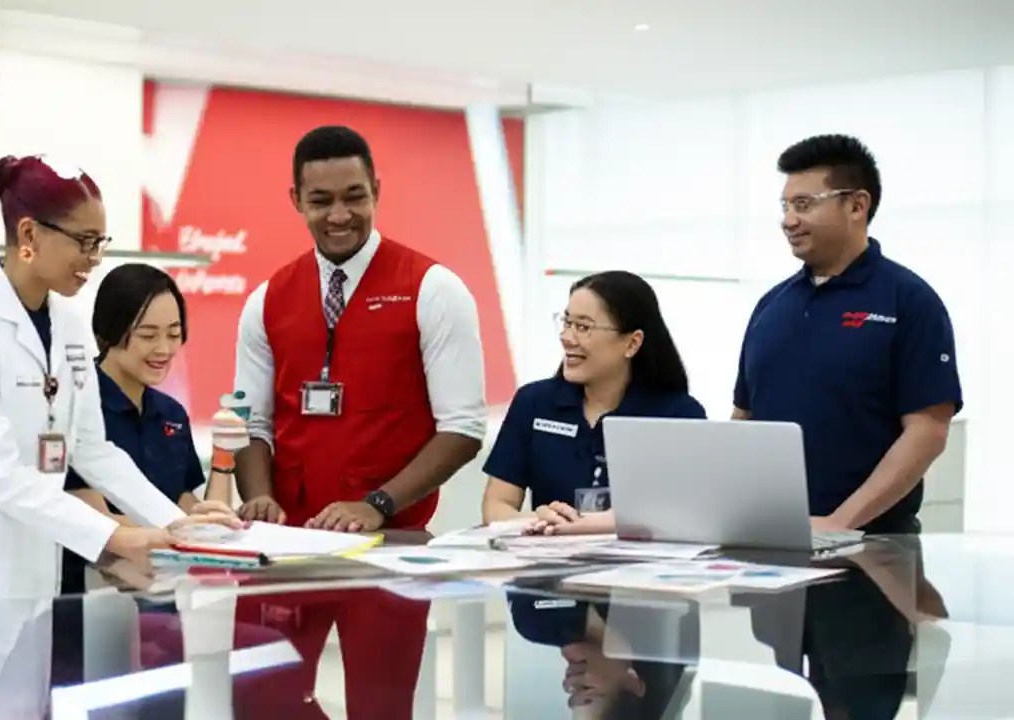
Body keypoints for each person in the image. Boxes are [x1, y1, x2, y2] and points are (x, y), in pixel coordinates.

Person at [0, 154, 238, 720]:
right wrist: (114, 538)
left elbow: (93, 450)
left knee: (20, 709)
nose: (94, 260)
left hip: (33, 564)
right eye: (84, 242)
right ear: (28, 234)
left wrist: (171, 522)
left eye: (101, 242)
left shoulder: (71, 327)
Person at [231, 125, 487, 719]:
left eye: (354, 196)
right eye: (321, 201)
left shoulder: (434, 289)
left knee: (380, 708)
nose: (339, 215)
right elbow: (252, 421)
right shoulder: (267, 299)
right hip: (289, 544)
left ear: (376, 189)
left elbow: (463, 428)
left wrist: (376, 503)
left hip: (388, 545)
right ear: (295, 199)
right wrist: (260, 495)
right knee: (259, 697)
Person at [733, 134, 963, 535]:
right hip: (768, 537)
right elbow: (745, 418)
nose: (789, 220)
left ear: (857, 205)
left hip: (872, 544)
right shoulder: (772, 305)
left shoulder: (909, 301)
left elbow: (928, 431)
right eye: (785, 206)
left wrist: (840, 524)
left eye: (804, 204)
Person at [52, 263, 248, 687]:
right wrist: (183, 534)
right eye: (148, 334)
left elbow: (185, 508)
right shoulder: (81, 405)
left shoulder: (170, 413)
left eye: (174, 332)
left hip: (161, 597)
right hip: (94, 599)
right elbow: (96, 516)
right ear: (108, 331)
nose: (164, 347)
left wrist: (223, 461)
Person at [482, 271, 705, 535]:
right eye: (566, 323)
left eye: (583, 327)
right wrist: (538, 521)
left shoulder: (677, 415)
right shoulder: (533, 403)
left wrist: (589, 526)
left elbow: (688, 514)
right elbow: (496, 505)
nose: (566, 337)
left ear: (632, 343)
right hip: (547, 566)